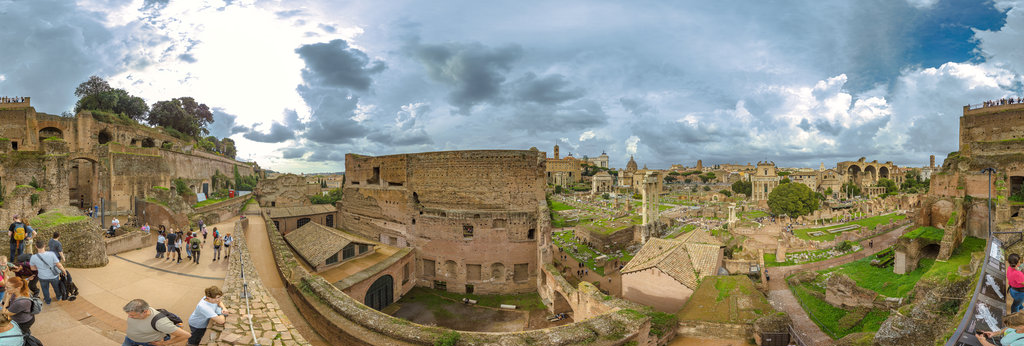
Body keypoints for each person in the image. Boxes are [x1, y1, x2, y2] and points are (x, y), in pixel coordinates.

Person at [122, 298, 191, 346]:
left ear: (145, 312)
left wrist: (164, 343)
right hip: (129, 339)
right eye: (128, 314)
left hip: (149, 343)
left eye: (132, 315)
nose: (129, 317)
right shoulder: (138, 311)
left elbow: (186, 335)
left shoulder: (161, 323)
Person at [29, 240, 66, 304]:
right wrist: (64, 271)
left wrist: (40, 267)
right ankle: (58, 297)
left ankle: (48, 300)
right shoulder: (51, 254)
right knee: (56, 287)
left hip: (42, 277)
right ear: (44, 246)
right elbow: (59, 265)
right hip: (53, 276)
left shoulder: (33, 257)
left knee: (45, 289)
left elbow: (32, 268)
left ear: (36, 247)